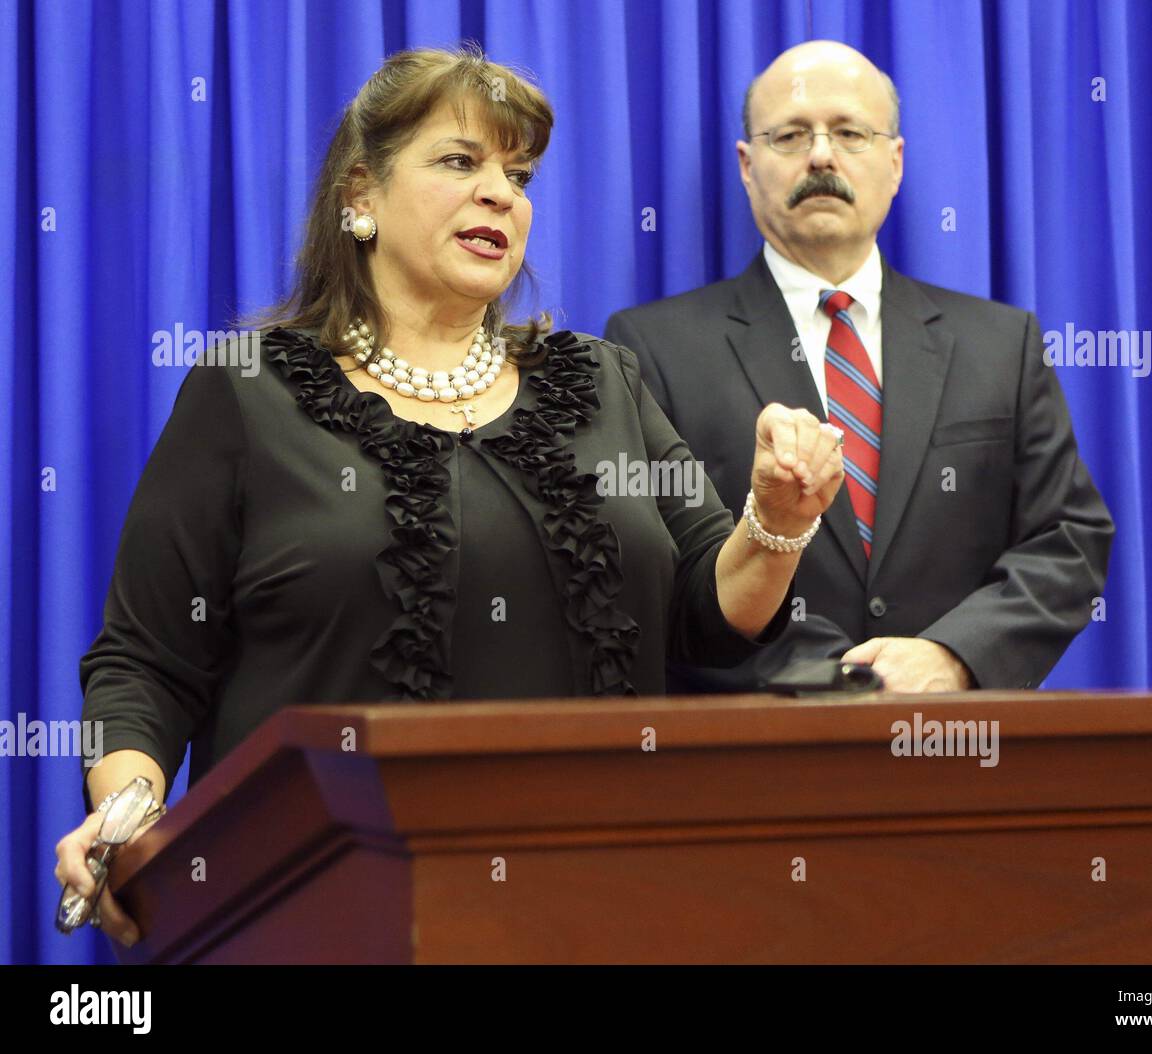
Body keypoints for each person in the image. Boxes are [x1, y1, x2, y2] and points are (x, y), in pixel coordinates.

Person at [55, 46, 845, 947]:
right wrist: (125, 813)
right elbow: (146, 662)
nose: (501, 195)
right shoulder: (250, 390)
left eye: (519, 175)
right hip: (311, 911)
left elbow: (713, 613)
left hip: (589, 905)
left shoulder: (601, 382)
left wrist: (776, 522)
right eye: (460, 161)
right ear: (361, 196)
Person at [605, 40, 1114, 694]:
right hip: (757, 737)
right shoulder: (650, 349)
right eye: (790, 135)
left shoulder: (1001, 344)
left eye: (849, 133)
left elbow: (1067, 540)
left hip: (958, 737)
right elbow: (651, 565)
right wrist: (843, 680)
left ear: (895, 162)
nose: (821, 155)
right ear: (747, 166)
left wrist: (954, 656)